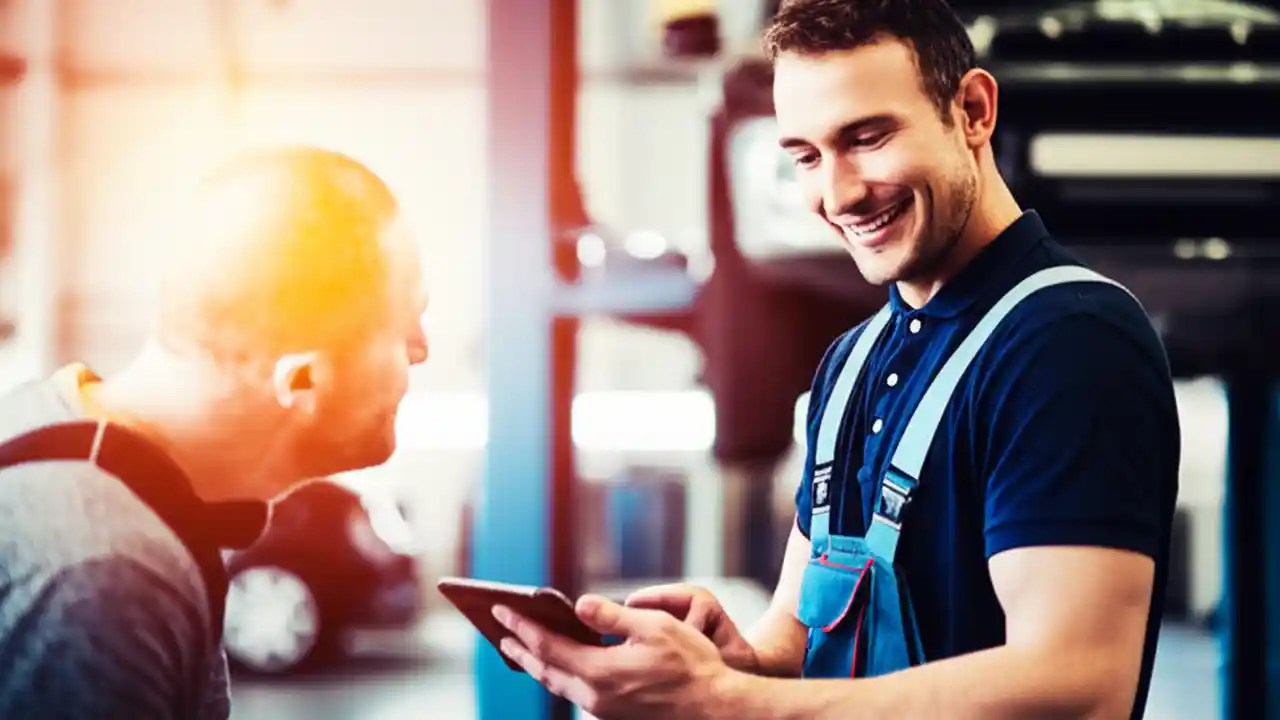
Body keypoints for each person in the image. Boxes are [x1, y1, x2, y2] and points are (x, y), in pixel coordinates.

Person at [492, 1, 1180, 718]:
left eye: (868, 138)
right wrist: (729, 659)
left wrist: (728, 701)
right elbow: (796, 639)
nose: (838, 193)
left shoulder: (1067, 341)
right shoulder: (850, 365)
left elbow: (1078, 684)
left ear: (973, 111)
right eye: (807, 157)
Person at [0, 147, 429, 719]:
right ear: (301, 378)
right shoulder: (105, 580)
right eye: (402, 328)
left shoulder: (48, 422)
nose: (423, 349)